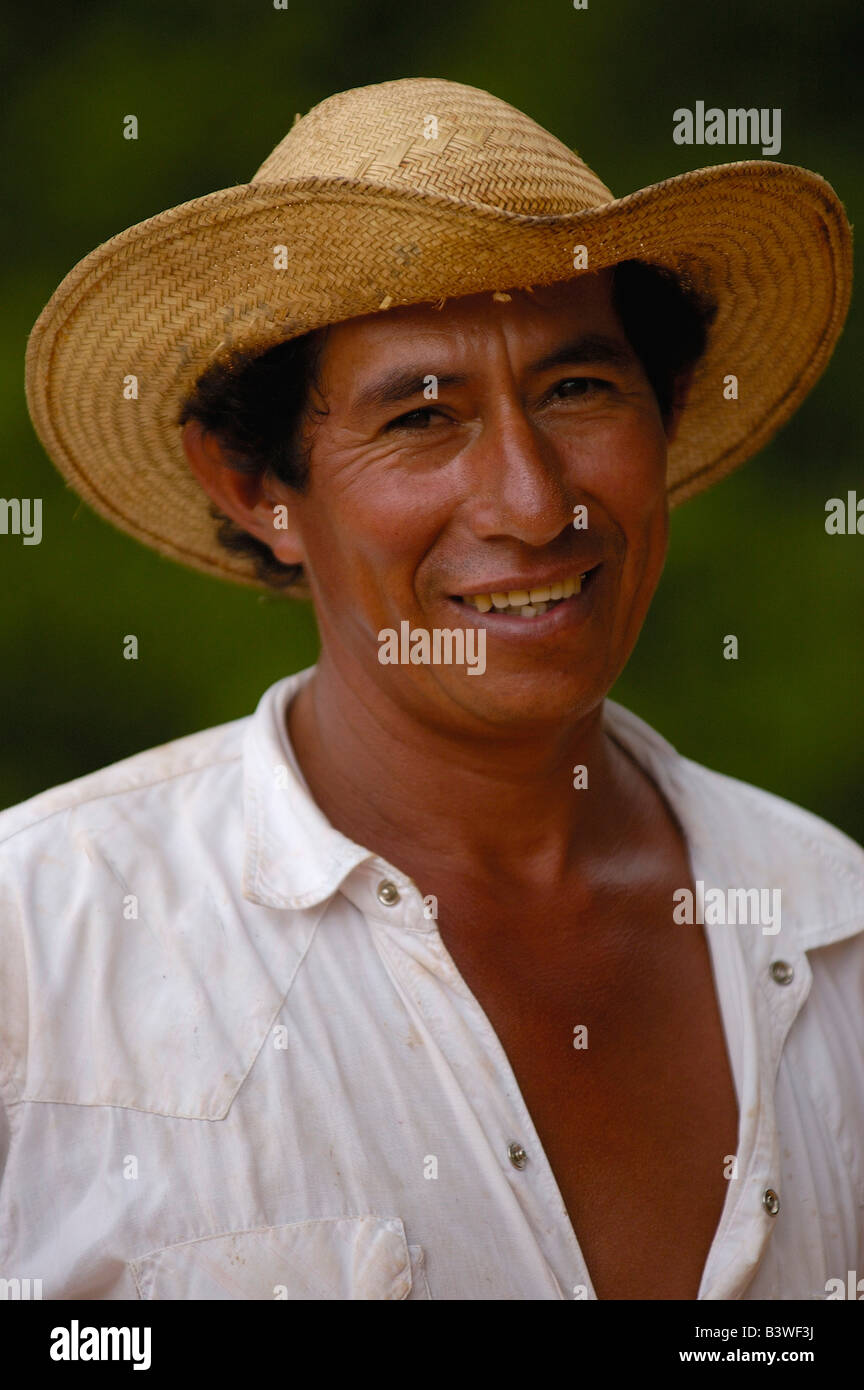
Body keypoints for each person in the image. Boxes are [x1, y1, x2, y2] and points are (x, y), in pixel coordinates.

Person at [3, 76, 861, 1302]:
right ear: (259, 488)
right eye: (418, 414)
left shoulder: (831, 934)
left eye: (578, 389)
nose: (529, 499)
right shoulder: (39, 952)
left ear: (662, 421)